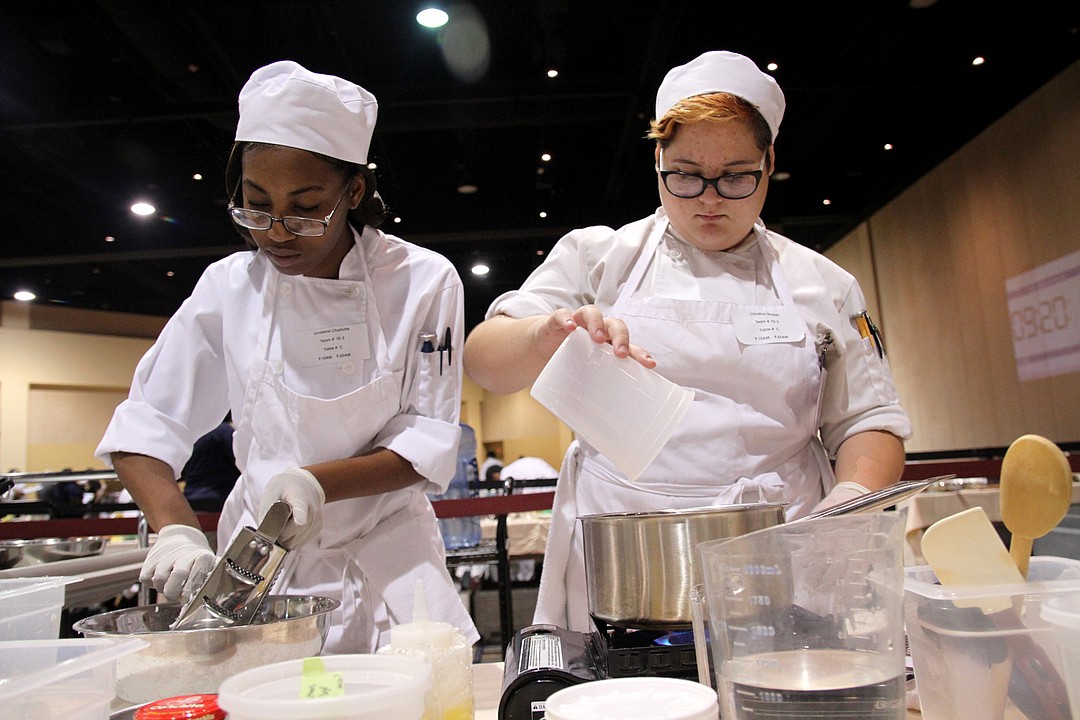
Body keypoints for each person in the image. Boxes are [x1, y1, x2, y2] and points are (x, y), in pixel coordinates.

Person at [462, 51, 912, 631]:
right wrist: (546, 332)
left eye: (735, 175)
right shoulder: (601, 258)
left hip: (784, 543)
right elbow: (486, 362)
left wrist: (848, 502)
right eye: (686, 173)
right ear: (657, 159)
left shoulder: (822, 283)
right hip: (625, 544)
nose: (708, 198)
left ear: (769, 161)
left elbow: (869, 418)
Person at [96, 60, 478, 652]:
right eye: (255, 205)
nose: (276, 231)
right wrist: (174, 530)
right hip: (261, 570)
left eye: (305, 207)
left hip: (387, 567)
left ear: (353, 191)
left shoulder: (422, 280)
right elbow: (145, 428)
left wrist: (313, 483)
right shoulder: (230, 288)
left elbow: (425, 441)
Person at [179, 418, 239, 512]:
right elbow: (240, 460)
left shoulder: (191, 433)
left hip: (190, 499)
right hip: (219, 499)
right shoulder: (223, 430)